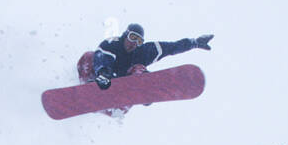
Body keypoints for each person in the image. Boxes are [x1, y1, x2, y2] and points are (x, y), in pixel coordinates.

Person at [85, 23, 214, 89]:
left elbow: (171, 47)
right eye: (133, 37)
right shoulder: (113, 44)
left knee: (139, 67)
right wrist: (103, 73)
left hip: (121, 88)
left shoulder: (144, 52)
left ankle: (143, 86)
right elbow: (103, 56)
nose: (135, 43)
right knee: (89, 56)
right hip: (100, 79)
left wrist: (195, 43)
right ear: (125, 35)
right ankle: (93, 85)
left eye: (139, 41)